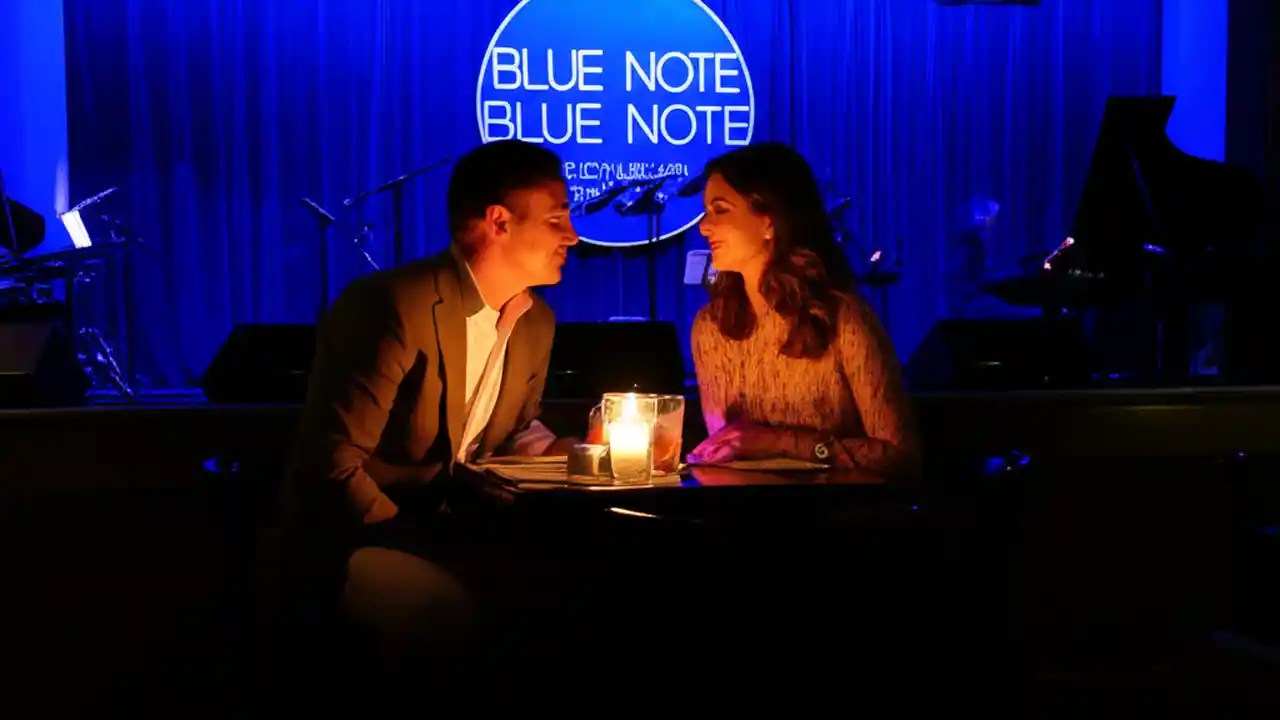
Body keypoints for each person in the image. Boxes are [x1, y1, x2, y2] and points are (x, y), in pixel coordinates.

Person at [280, 139, 580, 677]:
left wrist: (573, 450)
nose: (573, 236)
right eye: (557, 218)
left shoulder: (536, 322)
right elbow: (330, 466)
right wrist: (418, 540)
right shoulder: (390, 305)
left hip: (460, 534)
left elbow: (510, 434)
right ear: (498, 222)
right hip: (359, 541)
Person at [686, 142, 919, 479]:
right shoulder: (711, 327)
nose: (703, 227)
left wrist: (780, 442)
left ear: (770, 221)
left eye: (719, 210)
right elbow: (724, 453)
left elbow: (900, 456)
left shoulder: (842, 319)